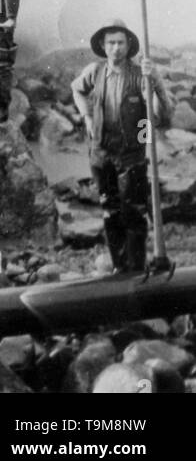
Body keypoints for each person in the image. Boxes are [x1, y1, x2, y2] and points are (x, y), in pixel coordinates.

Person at [70, 20, 173, 274]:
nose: (115, 48)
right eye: (111, 43)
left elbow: (164, 114)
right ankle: (119, 267)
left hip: (132, 154)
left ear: (128, 46)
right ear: (104, 47)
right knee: (110, 211)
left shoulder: (141, 75)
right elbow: (76, 90)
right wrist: (87, 117)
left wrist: (156, 81)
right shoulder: (95, 71)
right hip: (101, 153)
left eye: (120, 43)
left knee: (134, 214)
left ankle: (136, 270)